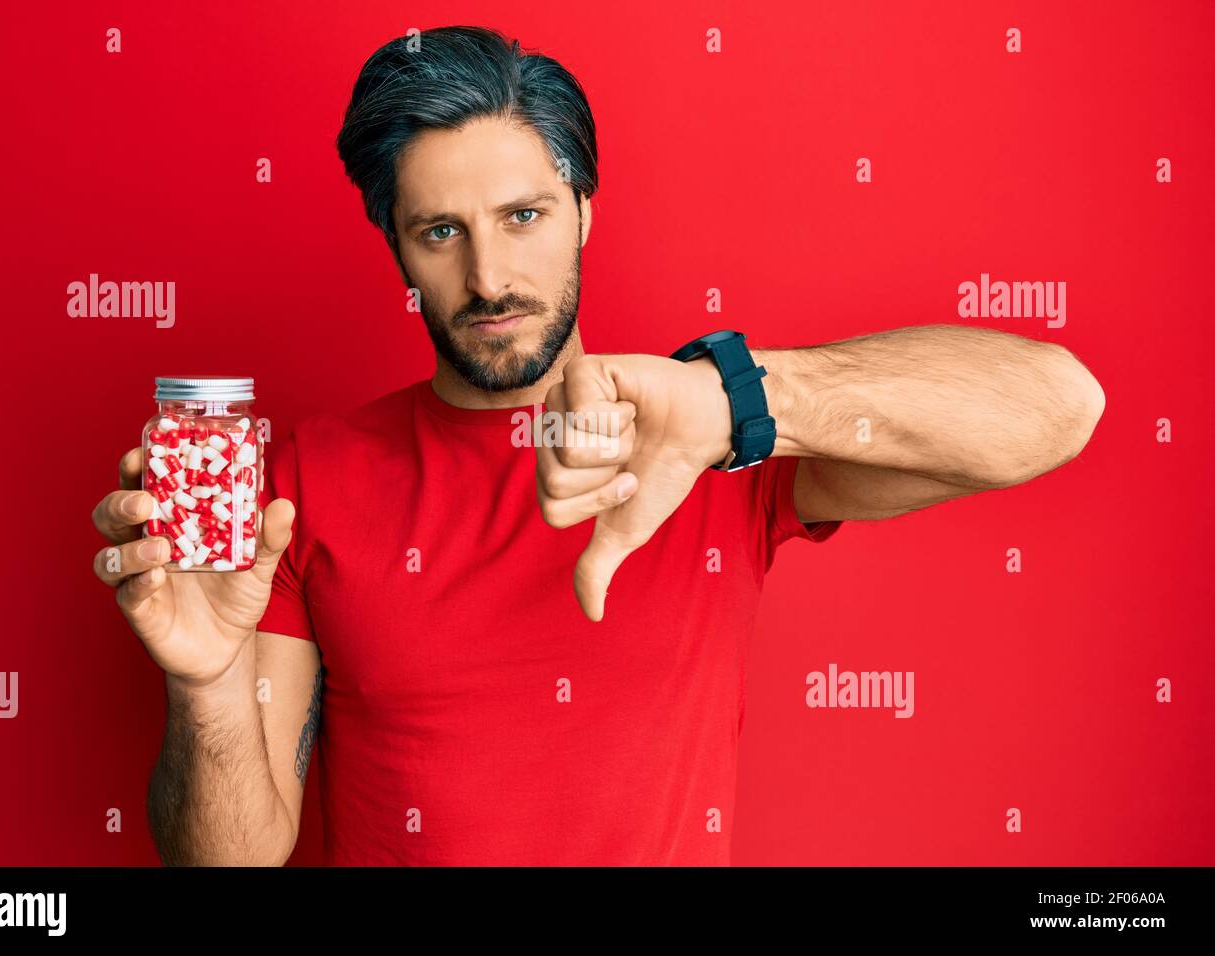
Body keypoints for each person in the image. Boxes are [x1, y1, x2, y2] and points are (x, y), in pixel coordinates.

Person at [90, 26, 1105, 866]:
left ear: (584, 209)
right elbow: (229, 860)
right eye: (439, 232)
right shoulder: (310, 475)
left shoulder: (710, 438)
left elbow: (1058, 405)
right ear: (395, 244)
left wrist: (736, 400)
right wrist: (208, 685)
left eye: (523, 216)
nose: (488, 276)